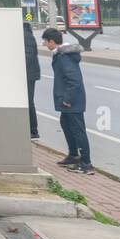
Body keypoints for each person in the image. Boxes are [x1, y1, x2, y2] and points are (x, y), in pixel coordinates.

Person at [43, 27, 92, 173]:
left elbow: (74, 80)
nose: (45, 44)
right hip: (69, 99)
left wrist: (67, 99)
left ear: (52, 41)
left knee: (78, 130)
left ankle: (86, 163)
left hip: (71, 100)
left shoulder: (64, 57)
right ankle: (73, 155)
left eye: (46, 41)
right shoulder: (62, 55)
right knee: (65, 124)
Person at [23, 21, 41, 139]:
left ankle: (33, 131)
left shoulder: (26, 36)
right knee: (27, 102)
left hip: (28, 74)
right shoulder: (26, 34)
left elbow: (27, 56)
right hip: (28, 73)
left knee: (28, 102)